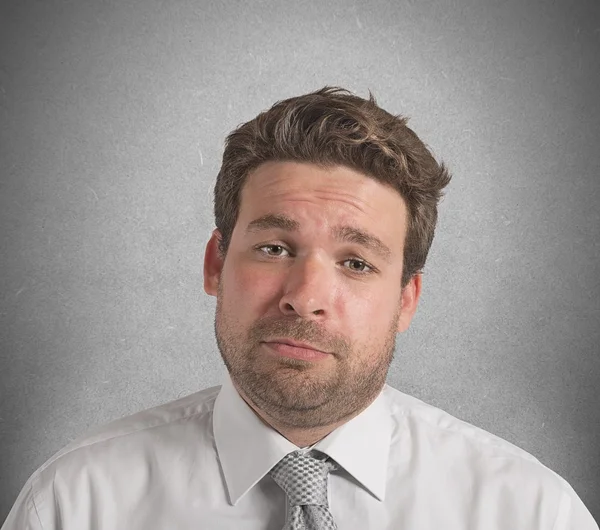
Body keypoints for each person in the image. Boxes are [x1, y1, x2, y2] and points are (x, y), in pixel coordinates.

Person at [2, 86, 597, 530]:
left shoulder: (532, 513)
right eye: (274, 247)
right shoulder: (73, 505)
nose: (305, 297)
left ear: (406, 300)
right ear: (215, 264)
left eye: (357, 262)